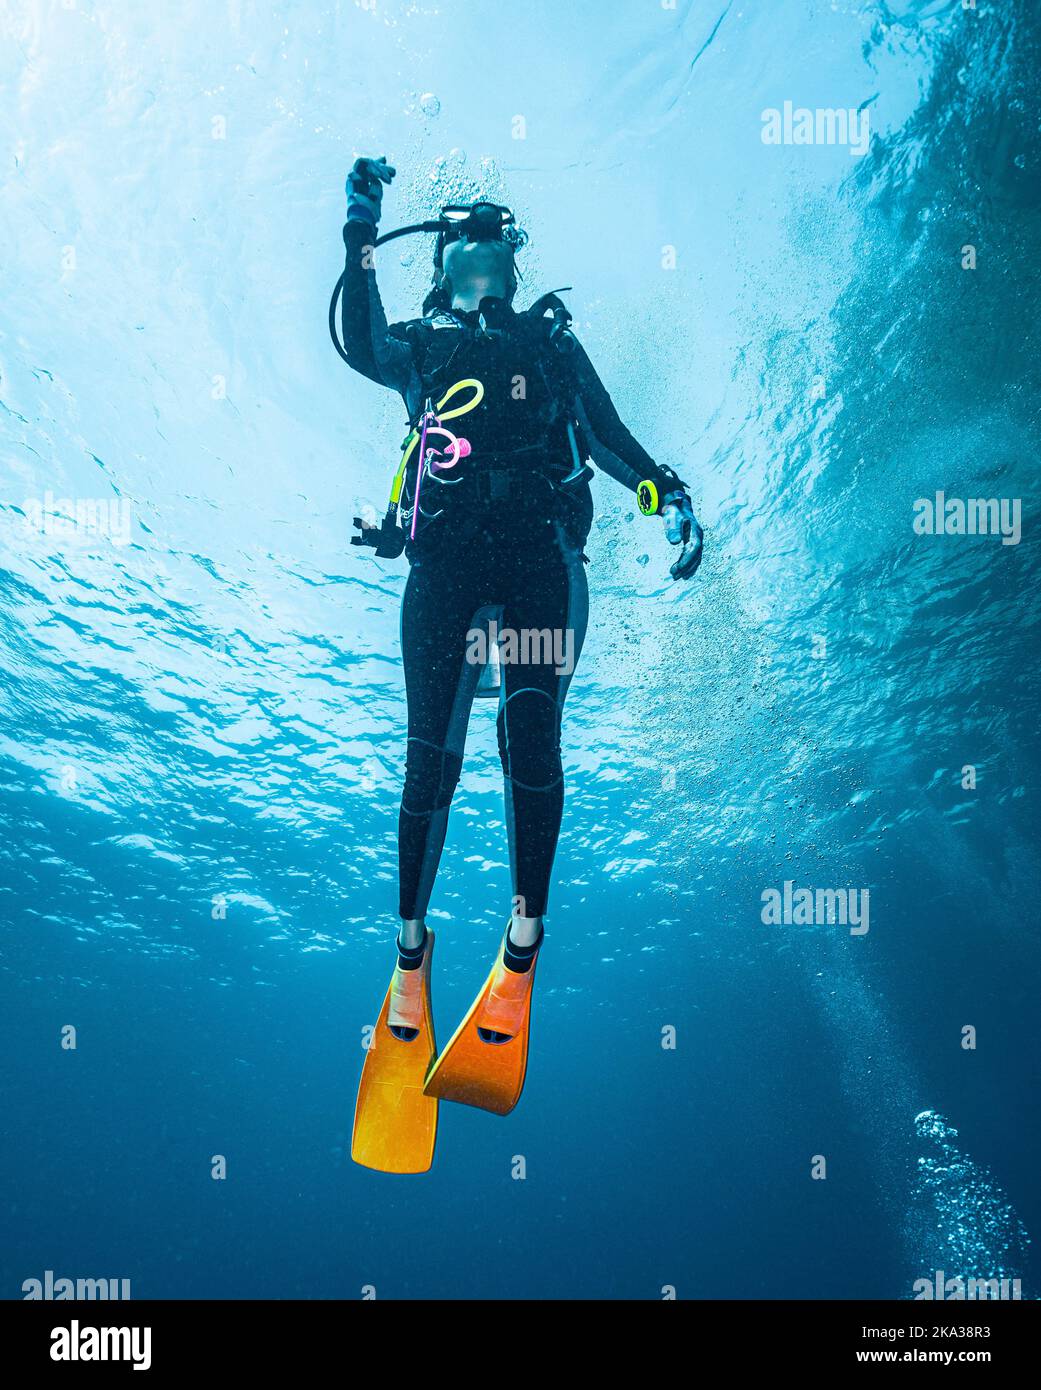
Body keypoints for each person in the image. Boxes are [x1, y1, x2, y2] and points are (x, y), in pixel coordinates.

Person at [342, 157, 703, 1172]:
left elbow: (614, 446)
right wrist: (357, 232)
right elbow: (359, 340)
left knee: (529, 733)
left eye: (496, 249)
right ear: (443, 265)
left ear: (512, 258)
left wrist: (663, 496)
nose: (480, 265)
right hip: (449, 562)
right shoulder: (418, 346)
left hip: (543, 558)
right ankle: (411, 956)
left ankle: (521, 946)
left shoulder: (553, 345)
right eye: (463, 251)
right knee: (430, 759)